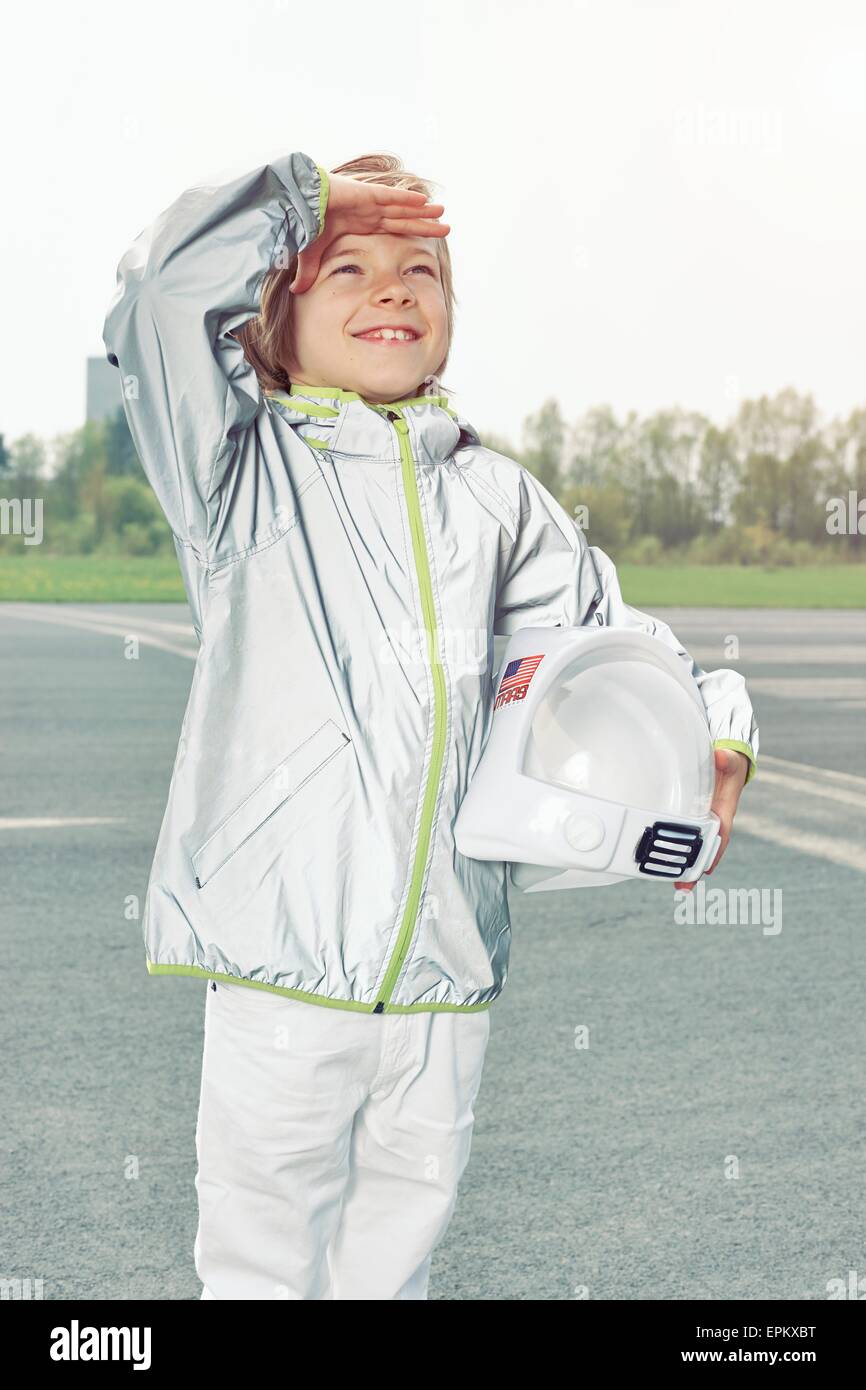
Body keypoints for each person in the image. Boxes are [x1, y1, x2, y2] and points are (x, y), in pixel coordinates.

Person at [102, 150, 759, 1300]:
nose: (392, 287)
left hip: (446, 979)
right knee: (260, 1269)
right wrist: (303, 199)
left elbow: (617, 646)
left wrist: (717, 734)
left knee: (391, 1268)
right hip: (282, 972)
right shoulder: (241, 473)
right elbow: (160, 290)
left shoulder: (499, 501)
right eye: (344, 266)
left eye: (420, 268)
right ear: (270, 320)